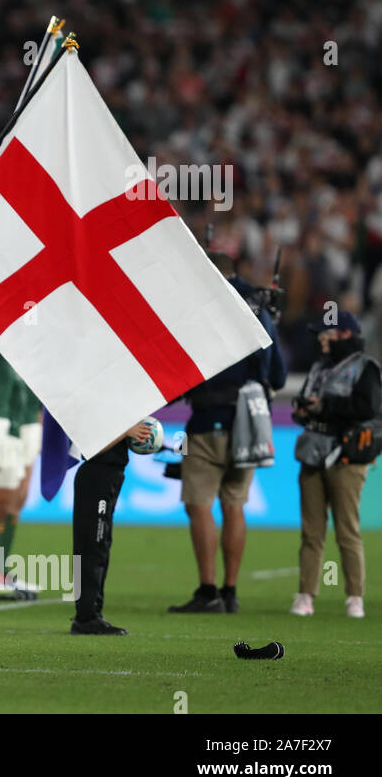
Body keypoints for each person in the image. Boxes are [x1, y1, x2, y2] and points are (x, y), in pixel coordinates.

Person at [169, 252, 287, 615]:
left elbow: (179, 372)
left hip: (209, 421)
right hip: (252, 424)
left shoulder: (200, 306)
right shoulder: (261, 308)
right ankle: (231, 592)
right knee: (235, 503)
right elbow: (279, 376)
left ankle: (208, 592)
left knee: (199, 504)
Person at [290, 311, 380, 619]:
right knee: (311, 531)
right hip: (313, 452)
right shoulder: (318, 367)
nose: (320, 339)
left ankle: (355, 597)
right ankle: (305, 595)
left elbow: (368, 408)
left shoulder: (365, 368)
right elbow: (304, 400)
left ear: (343, 335)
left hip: (346, 455)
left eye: (326, 334)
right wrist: (302, 410)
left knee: (346, 530)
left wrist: (325, 407)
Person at [71, 421, 156, 635]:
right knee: (93, 545)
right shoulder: (93, 408)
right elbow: (89, 449)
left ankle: (91, 614)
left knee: (101, 544)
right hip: (96, 476)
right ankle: (86, 617)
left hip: (109, 475)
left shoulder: (110, 411)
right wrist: (126, 432)